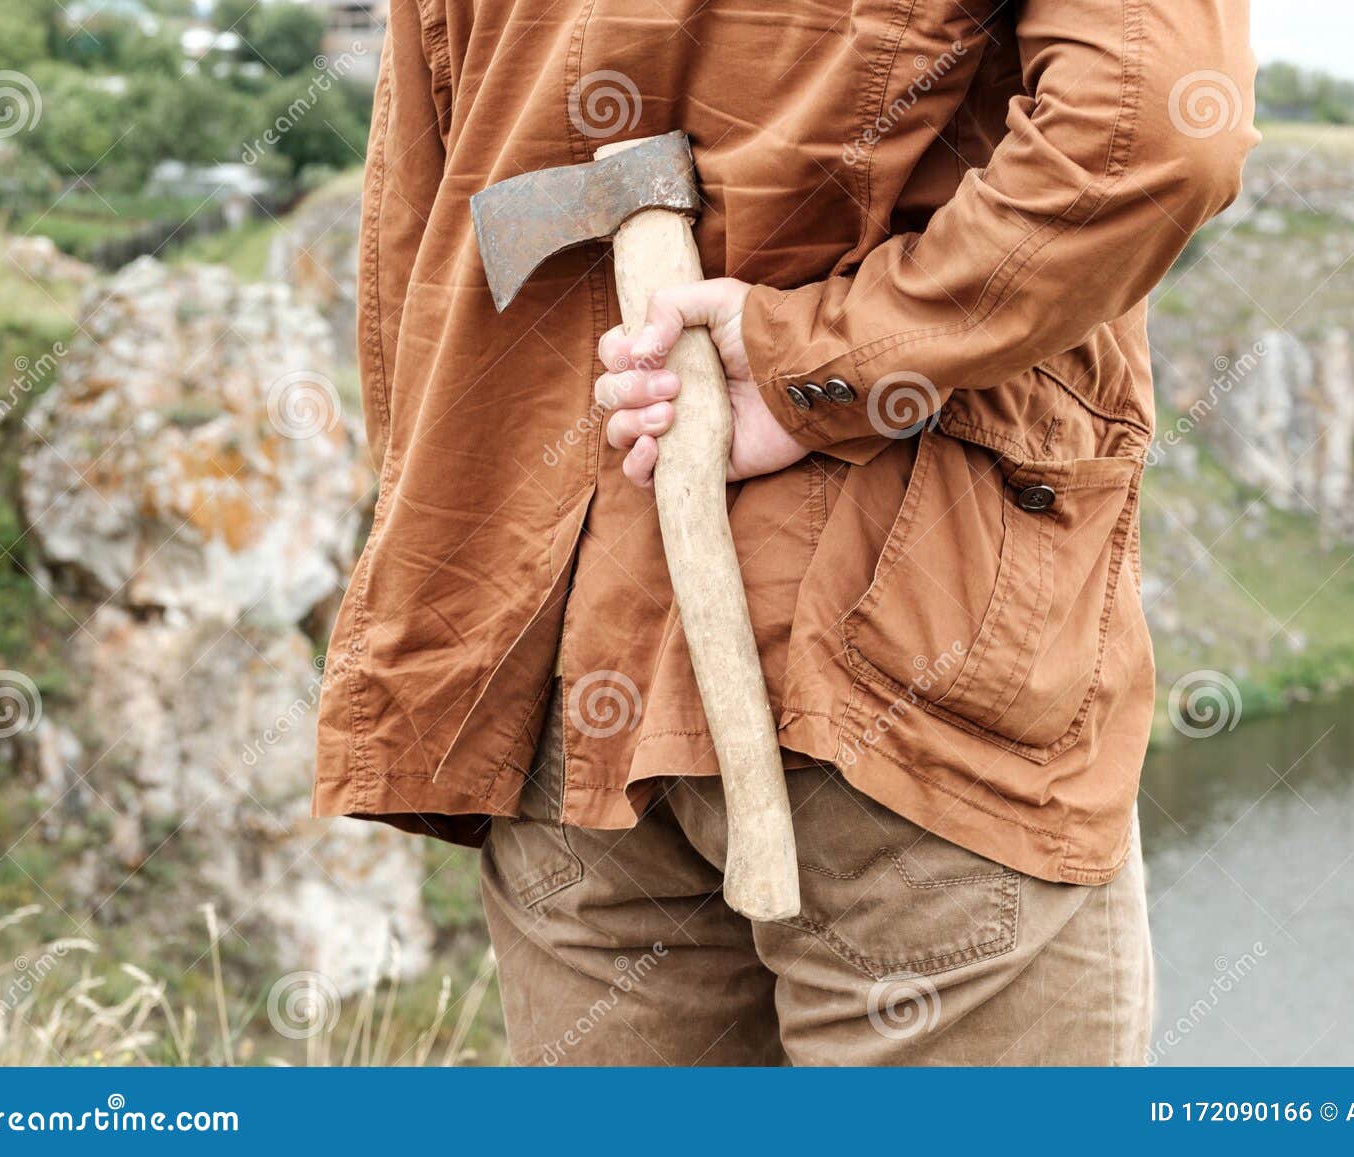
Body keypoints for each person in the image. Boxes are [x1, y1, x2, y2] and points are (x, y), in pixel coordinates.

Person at [314, 0, 1259, 1065]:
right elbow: (1160, 128)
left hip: (563, 665)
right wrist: (829, 362)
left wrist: (455, 593)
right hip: (907, 662)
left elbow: (420, 229)